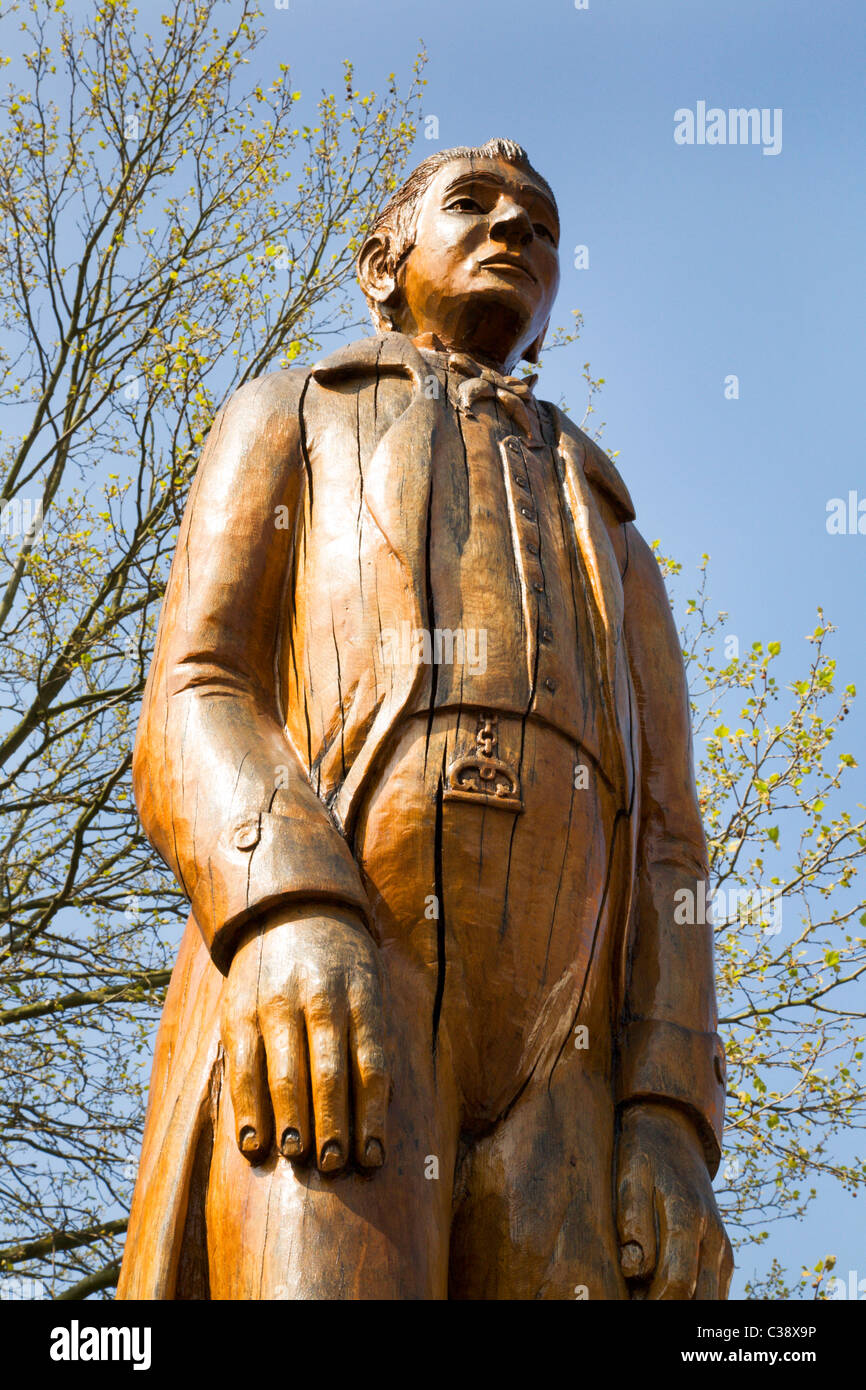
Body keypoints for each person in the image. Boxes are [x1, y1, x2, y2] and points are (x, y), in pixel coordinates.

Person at [117, 138, 731, 1300]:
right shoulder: (287, 415)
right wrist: (287, 912)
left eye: (539, 226)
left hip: (570, 1065)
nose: (513, 233)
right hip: (346, 985)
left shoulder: (614, 533)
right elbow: (195, 690)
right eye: (473, 206)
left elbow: (668, 845)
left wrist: (665, 1109)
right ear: (379, 263)